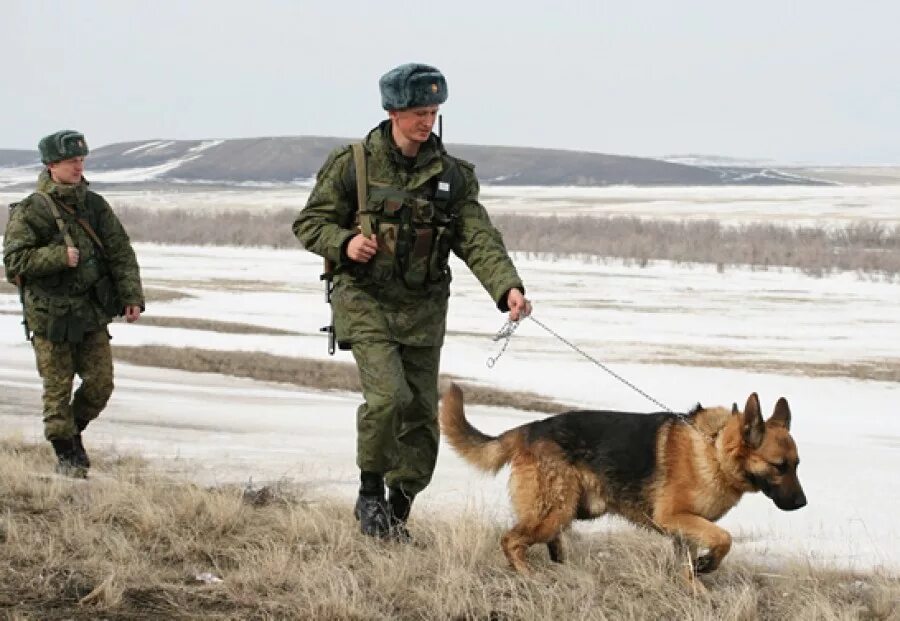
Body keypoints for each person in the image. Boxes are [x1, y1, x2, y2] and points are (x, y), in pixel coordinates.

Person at [293, 63, 532, 539]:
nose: (428, 121)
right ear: (393, 111)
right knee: (388, 399)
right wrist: (344, 243)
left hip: (423, 308)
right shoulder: (354, 164)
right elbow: (309, 223)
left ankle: (398, 511)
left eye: (434, 112)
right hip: (365, 299)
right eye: (419, 112)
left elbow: (478, 237)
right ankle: (369, 494)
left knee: (421, 415)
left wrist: (507, 287)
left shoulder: (452, 176)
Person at [3, 130, 144, 478]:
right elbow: (14, 262)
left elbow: (120, 253)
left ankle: (72, 432)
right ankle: (67, 457)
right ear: (51, 165)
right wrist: (57, 256)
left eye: (81, 161)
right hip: (50, 317)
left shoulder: (94, 205)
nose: (78, 167)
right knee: (57, 390)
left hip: (91, 314)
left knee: (100, 385)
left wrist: (131, 296)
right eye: (71, 162)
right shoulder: (33, 209)